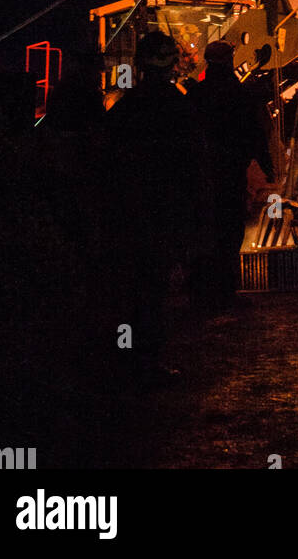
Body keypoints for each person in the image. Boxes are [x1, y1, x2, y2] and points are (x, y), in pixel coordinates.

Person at [105, 29, 211, 383]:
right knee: (153, 292)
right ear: (173, 65)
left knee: (128, 290)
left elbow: (104, 161)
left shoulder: (124, 108)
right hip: (165, 214)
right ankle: (147, 362)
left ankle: (123, 359)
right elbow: (195, 166)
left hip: (127, 213)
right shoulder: (182, 108)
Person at [188, 40, 273, 311]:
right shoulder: (239, 94)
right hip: (229, 175)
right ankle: (225, 293)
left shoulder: (195, 96)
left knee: (202, 233)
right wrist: (268, 167)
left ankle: (199, 295)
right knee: (228, 234)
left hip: (200, 177)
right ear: (229, 59)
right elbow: (255, 133)